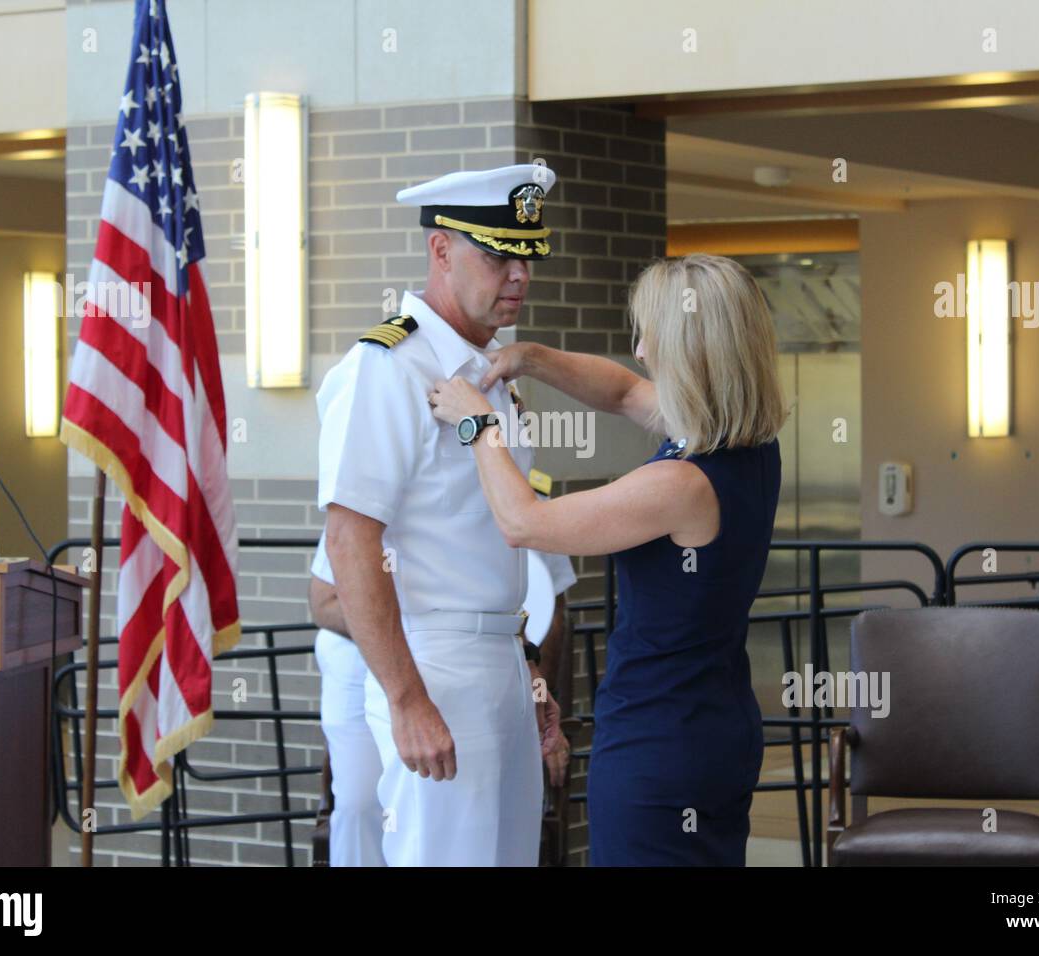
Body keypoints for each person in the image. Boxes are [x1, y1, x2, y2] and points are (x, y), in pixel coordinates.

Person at [429, 253, 786, 866]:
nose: (642, 351)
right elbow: (620, 389)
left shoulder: (683, 484)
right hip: (713, 724)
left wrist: (479, 428)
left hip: (660, 742)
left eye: (653, 337)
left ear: (694, 352)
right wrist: (529, 357)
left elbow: (525, 523)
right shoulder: (749, 443)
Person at [316, 164, 563, 866]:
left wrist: (531, 676)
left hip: (500, 660)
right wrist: (405, 698)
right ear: (441, 250)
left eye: (527, 257)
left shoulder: (489, 373)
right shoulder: (388, 368)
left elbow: (494, 552)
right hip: (434, 662)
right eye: (497, 255)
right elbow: (349, 537)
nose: (517, 275)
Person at [307, 527, 577, 867]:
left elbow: (547, 614)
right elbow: (323, 602)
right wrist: (395, 629)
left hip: (487, 672)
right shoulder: (369, 495)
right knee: (360, 804)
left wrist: (540, 708)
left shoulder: (526, 499)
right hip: (362, 665)